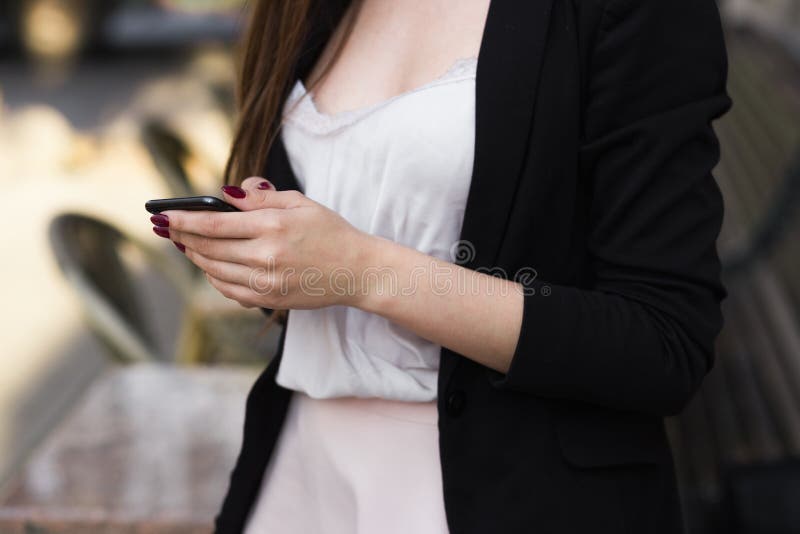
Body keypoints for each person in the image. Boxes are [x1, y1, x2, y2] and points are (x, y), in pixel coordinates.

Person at [149, 0, 732, 532]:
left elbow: (663, 343)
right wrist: (267, 255)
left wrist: (363, 271)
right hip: (300, 469)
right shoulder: (300, 10)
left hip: (507, 489)